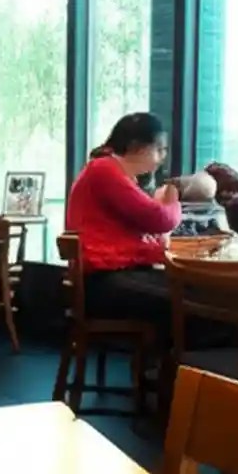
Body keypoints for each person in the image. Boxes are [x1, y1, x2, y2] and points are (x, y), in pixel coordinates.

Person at [67, 112, 181, 323]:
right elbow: (160, 219)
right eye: (159, 149)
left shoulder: (108, 169)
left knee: (184, 292)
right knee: (186, 298)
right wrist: (173, 198)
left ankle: (165, 354)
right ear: (137, 147)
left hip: (105, 279)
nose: (162, 157)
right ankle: (178, 354)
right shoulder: (105, 170)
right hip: (103, 283)